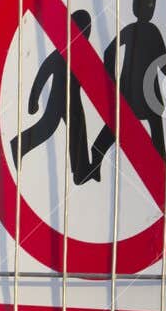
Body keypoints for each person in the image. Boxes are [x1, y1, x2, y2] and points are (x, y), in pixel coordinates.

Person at [87, 0, 166, 179]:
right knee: (117, 125)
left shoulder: (149, 31)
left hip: (144, 91)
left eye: (153, 2)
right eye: (148, 2)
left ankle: (161, 168)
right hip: (132, 90)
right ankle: (97, 153)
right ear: (138, 4)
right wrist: (114, 81)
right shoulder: (139, 30)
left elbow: (163, 63)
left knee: (145, 126)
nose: (150, 7)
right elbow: (110, 52)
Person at [9, 9, 102, 183]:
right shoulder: (63, 52)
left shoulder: (83, 54)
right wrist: (33, 99)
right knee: (47, 128)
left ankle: (80, 171)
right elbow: (44, 71)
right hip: (59, 98)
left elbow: (94, 79)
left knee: (78, 129)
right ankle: (18, 145)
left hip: (74, 100)